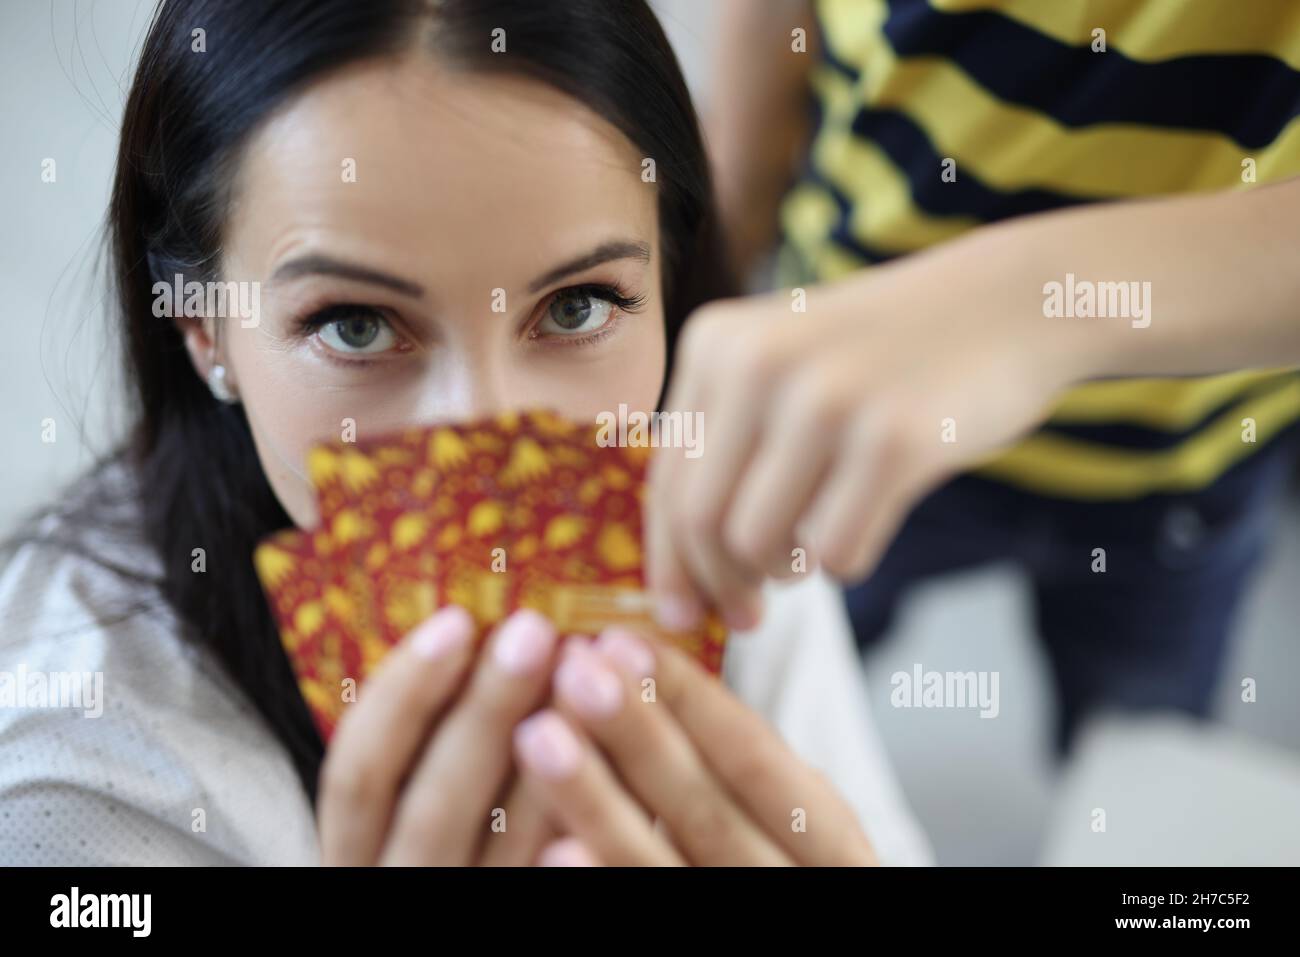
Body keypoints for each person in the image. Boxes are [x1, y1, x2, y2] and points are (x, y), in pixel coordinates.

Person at [0, 0, 930, 866]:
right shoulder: (73, 777)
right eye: (354, 324)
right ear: (205, 330)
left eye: (577, 306)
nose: (485, 447)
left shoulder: (717, 524)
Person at [647, 0, 1300, 750]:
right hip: (833, 396)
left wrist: (1032, 303)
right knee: (783, 690)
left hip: (1184, 457)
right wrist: (724, 226)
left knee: (1137, 768)